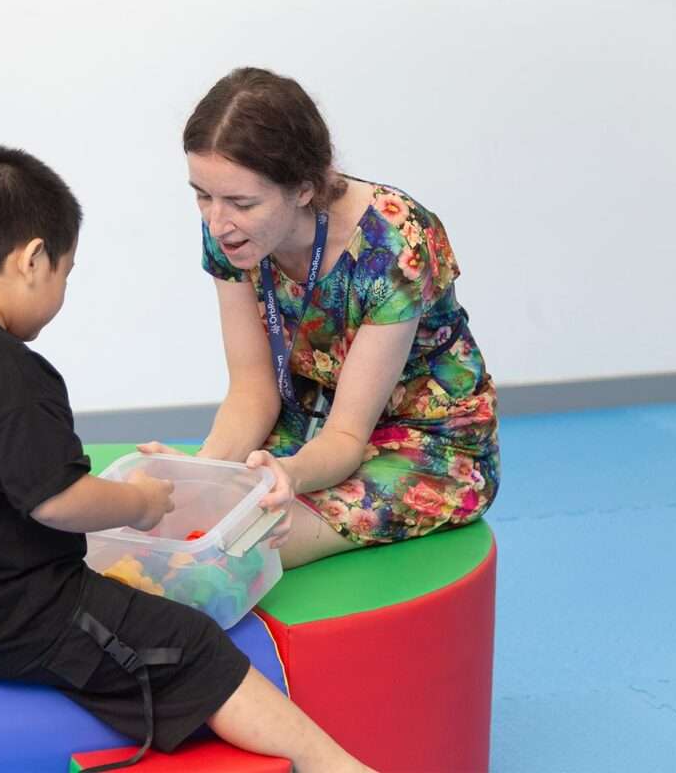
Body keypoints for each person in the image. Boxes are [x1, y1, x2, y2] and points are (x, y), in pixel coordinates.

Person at [0, 146, 373, 771]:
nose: (62, 292)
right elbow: (56, 501)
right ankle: (332, 762)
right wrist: (139, 502)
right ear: (32, 260)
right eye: (65, 274)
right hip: (7, 612)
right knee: (191, 644)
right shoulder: (10, 369)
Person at [143, 67, 499, 569]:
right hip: (308, 419)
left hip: (423, 438)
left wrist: (285, 476)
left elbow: (348, 436)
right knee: (181, 518)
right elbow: (252, 390)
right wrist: (204, 472)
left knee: (243, 547)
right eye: (202, 195)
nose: (217, 222)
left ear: (305, 189)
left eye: (241, 202)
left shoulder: (394, 244)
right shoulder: (231, 232)